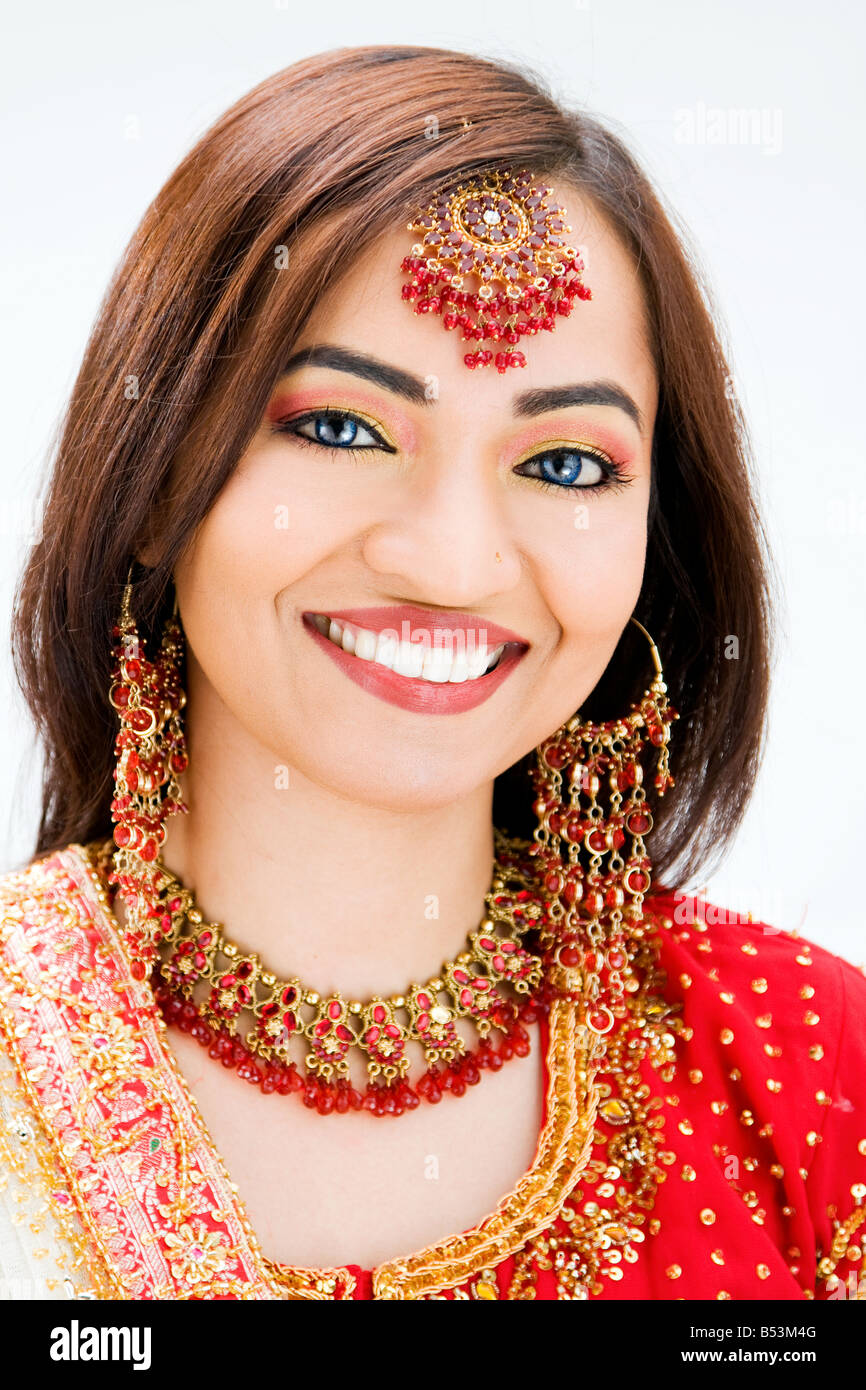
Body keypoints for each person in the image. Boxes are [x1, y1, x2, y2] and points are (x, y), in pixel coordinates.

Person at [1, 44, 863, 1303]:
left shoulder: (808, 1069)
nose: (454, 565)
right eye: (340, 429)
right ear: (151, 481)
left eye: (565, 463)